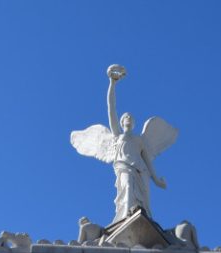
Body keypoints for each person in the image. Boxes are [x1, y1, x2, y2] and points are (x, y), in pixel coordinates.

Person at [71, 66, 178, 224]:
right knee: (127, 187)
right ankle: (124, 219)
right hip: (124, 167)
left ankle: (141, 218)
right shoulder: (117, 135)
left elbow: (148, 161)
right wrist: (112, 84)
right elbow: (111, 108)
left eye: (130, 117)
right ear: (121, 122)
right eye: (125, 117)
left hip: (141, 170)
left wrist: (156, 179)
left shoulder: (140, 140)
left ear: (133, 123)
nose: (127, 118)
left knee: (143, 204)